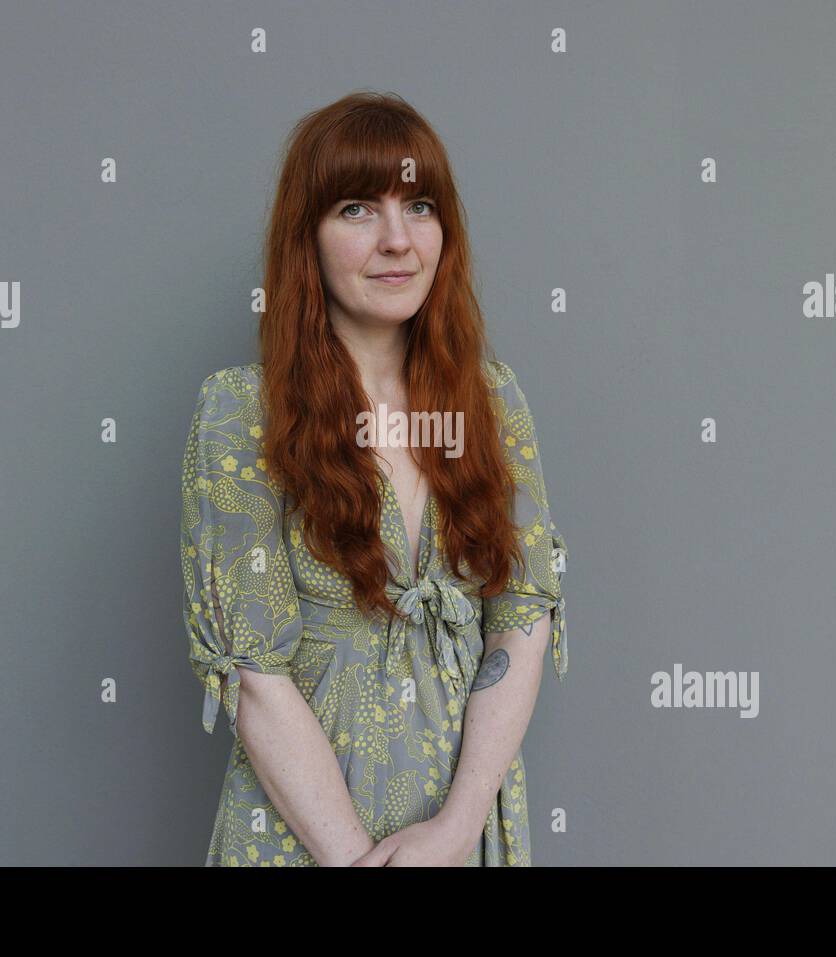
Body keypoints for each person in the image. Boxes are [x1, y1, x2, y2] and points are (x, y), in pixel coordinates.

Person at [181, 91, 569, 866]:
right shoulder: (240, 413)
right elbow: (254, 672)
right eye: (358, 209)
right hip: (307, 839)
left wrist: (457, 828)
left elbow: (522, 616)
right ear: (308, 239)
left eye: (419, 206)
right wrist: (358, 859)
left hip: (464, 833)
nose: (397, 240)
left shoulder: (494, 402)